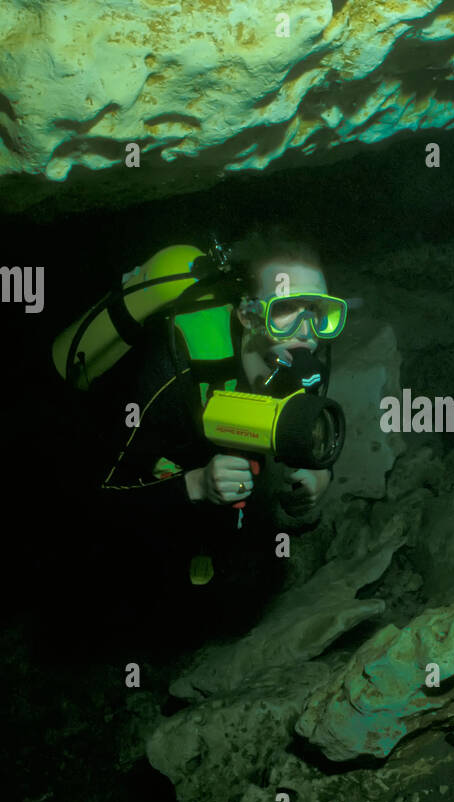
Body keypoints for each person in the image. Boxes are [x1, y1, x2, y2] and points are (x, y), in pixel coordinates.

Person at [66, 227, 347, 647]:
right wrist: (194, 486)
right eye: (286, 308)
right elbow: (96, 498)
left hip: (222, 502)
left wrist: (319, 472)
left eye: (319, 310)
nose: (308, 330)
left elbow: (312, 431)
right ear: (248, 314)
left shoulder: (304, 359)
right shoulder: (176, 370)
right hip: (146, 484)